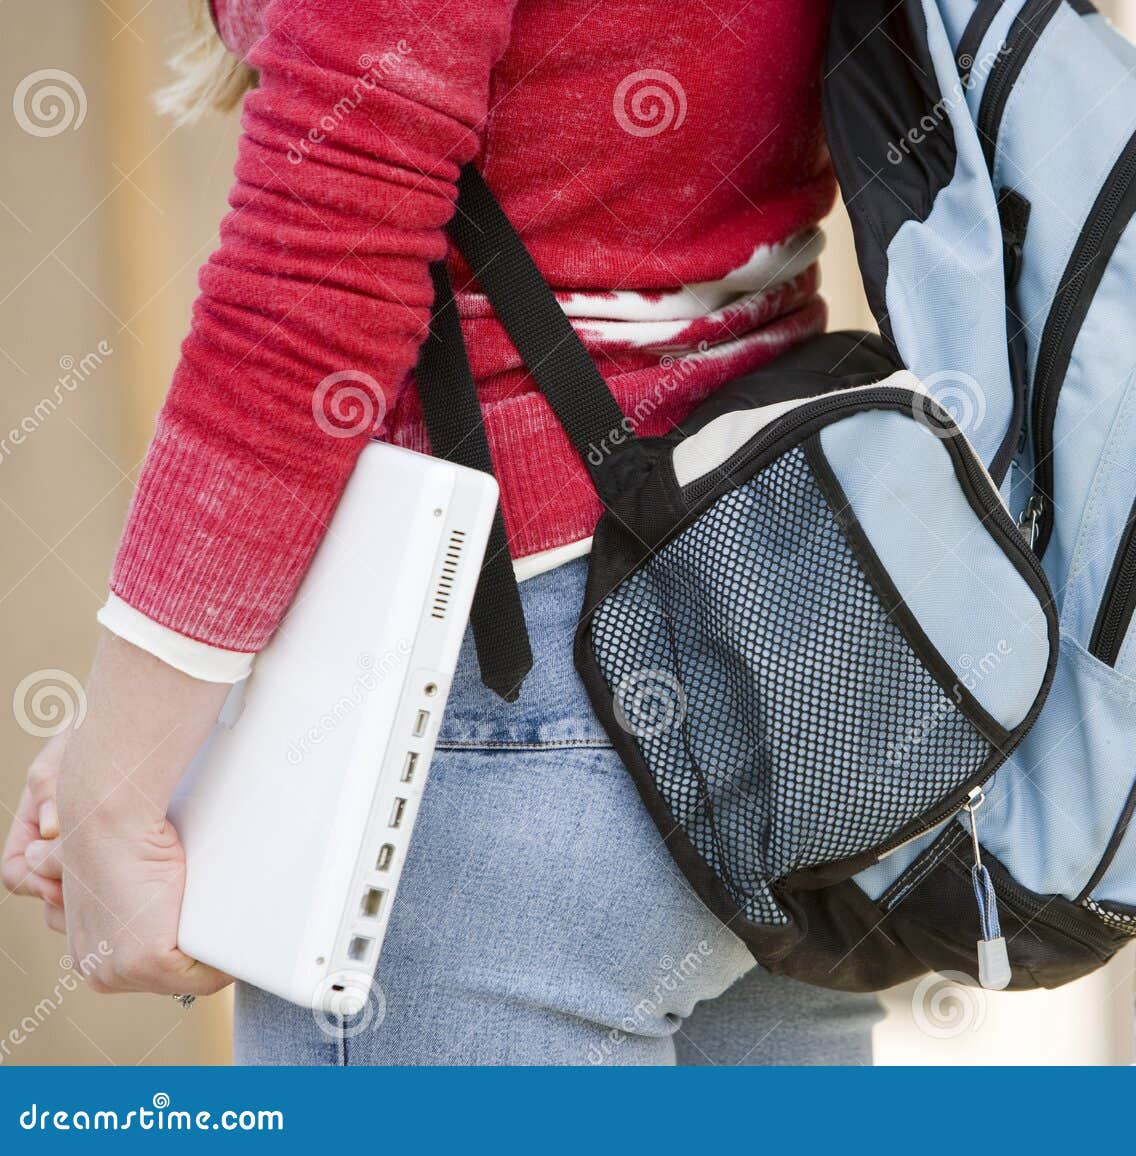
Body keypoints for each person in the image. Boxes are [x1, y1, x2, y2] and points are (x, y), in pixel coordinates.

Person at [0, 0, 883, 1065]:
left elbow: (311, 292)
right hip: (795, 667)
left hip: (498, 702)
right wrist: (136, 731)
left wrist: (119, 782)